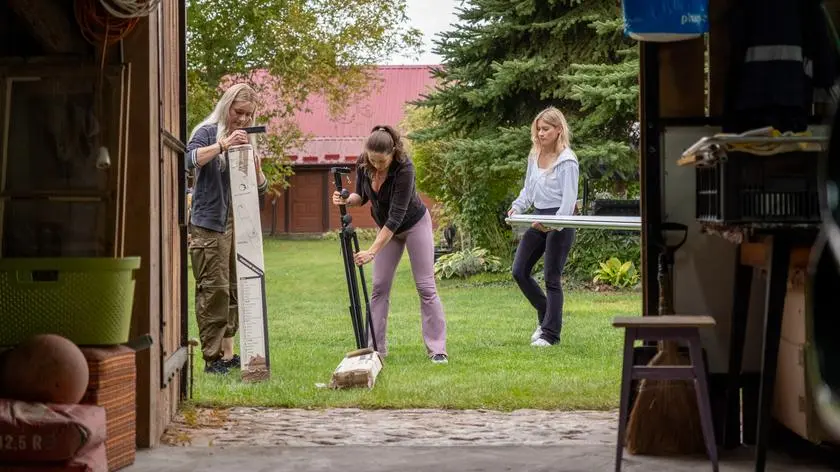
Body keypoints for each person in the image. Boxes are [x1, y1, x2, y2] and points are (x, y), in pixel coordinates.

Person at [330, 125, 449, 364]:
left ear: (393, 152)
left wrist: (372, 251)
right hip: (387, 229)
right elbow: (361, 196)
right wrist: (346, 199)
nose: (377, 166)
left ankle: (437, 350)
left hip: (413, 224)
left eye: (382, 161)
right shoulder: (364, 163)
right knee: (379, 287)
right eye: (372, 160)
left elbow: (396, 217)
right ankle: (375, 349)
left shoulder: (405, 169)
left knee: (425, 286)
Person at [185, 83, 269, 374]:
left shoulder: (247, 138)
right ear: (226, 106)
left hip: (238, 224)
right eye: (238, 112)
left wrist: (258, 170)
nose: (243, 119)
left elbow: (261, 191)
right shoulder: (207, 131)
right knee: (214, 290)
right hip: (208, 224)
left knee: (234, 288)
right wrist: (223, 145)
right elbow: (188, 160)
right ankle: (212, 359)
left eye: (248, 114)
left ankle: (228, 354)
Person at [507, 106, 579, 347]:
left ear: (558, 130)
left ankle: (550, 334)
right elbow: (528, 190)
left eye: (545, 129)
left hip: (561, 221)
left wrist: (553, 224)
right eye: (538, 129)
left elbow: (568, 201)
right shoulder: (534, 155)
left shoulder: (567, 160)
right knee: (519, 271)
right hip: (539, 218)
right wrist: (517, 207)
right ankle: (547, 314)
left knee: (552, 278)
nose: (540, 133)